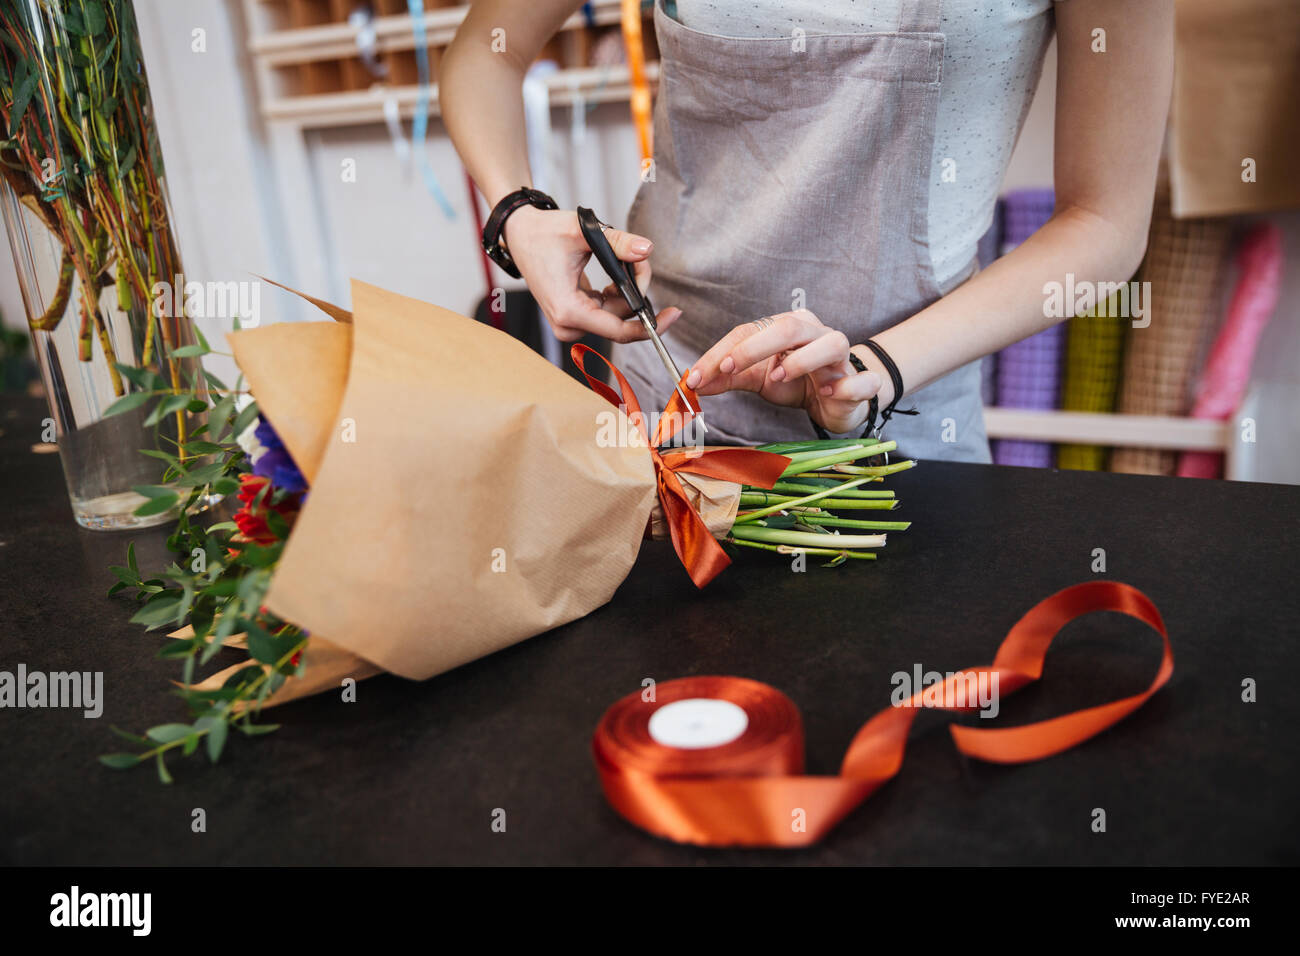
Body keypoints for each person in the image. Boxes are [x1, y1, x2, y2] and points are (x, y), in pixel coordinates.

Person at [442, 0, 1173, 459]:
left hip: (900, 427)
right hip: (664, 407)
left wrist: (872, 372)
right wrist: (517, 215)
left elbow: (1105, 221)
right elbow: (486, 50)